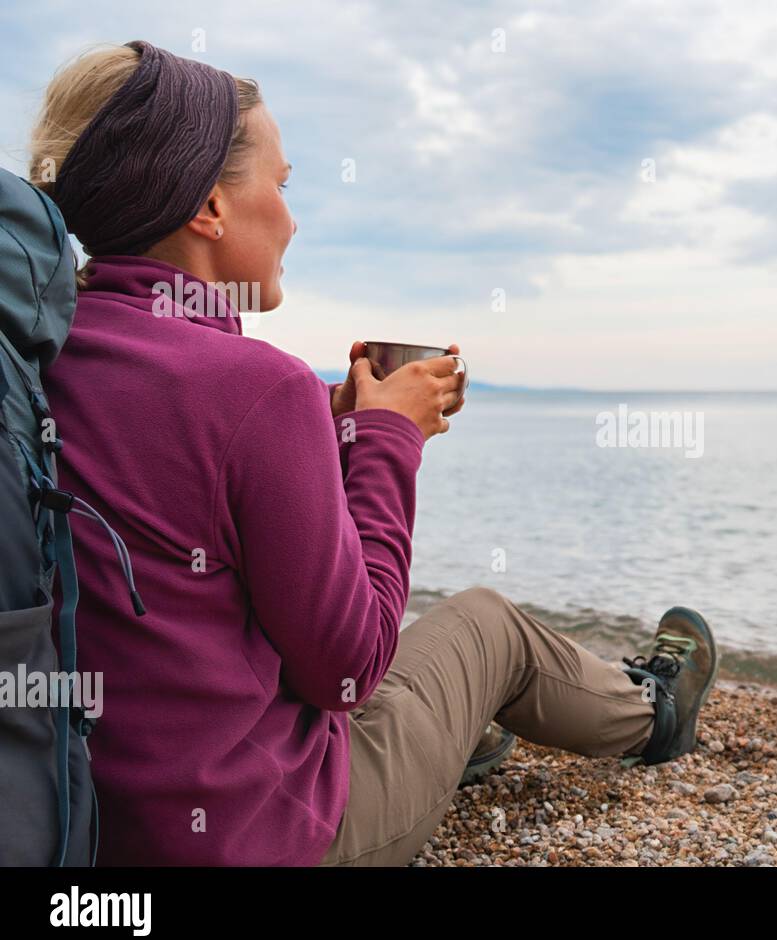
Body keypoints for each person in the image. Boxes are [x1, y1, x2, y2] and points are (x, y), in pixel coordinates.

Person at [28, 40, 718, 867]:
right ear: (210, 205)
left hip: (85, 822)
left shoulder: (40, 357)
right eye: (281, 187)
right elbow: (347, 673)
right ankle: (656, 711)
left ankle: (459, 736)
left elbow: (172, 473)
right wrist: (389, 441)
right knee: (487, 626)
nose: (292, 216)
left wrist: (330, 421)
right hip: (271, 838)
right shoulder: (258, 386)